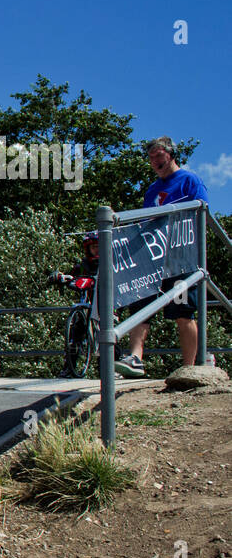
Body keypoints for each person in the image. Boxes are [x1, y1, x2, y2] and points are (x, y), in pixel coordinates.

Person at [115, 136, 210, 377]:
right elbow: (146, 221)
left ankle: (189, 368)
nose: (155, 160)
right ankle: (135, 357)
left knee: (182, 311)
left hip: (181, 258)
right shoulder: (152, 189)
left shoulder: (190, 180)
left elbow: (202, 211)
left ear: (171, 154)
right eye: (151, 157)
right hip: (153, 257)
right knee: (140, 304)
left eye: (159, 155)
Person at [48, 233, 100, 378]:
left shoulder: (109, 263)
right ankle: (69, 368)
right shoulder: (83, 265)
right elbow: (72, 275)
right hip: (86, 302)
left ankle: (111, 366)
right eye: (93, 247)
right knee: (76, 332)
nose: (96, 250)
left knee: (107, 329)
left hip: (103, 303)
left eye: (98, 247)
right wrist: (60, 277)